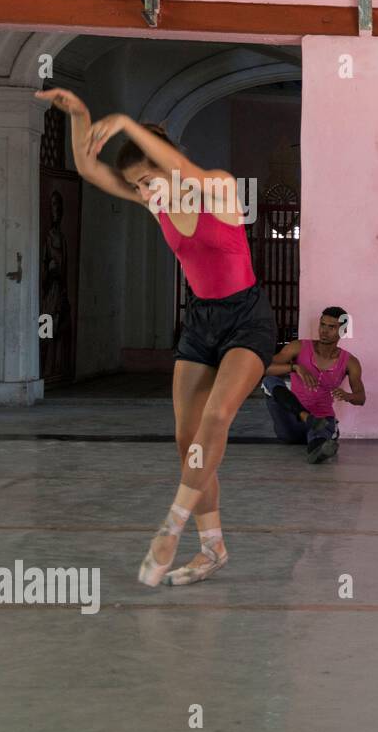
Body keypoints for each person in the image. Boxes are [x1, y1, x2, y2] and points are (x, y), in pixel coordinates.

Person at [37, 88, 276, 587]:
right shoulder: (158, 204)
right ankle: (212, 548)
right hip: (200, 323)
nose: (145, 194)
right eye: (138, 187)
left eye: (147, 182)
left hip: (247, 321)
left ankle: (170, 529)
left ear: (168, 168)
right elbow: (88, 169)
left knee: (216, 417)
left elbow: (184, 174)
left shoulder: (218, 189)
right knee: (187, 444)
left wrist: (125, 120)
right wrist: (82, 114)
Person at [262, 307, 366, 463]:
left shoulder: (350, 362)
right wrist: (295, 367)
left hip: (321, 419)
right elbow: (264, 367)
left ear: (342, 330)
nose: (324, 331)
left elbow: (361, 398)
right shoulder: (299, 346)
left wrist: (348, 396)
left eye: (331, 327)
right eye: (322, 325)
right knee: (269, 381)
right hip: (292, 421)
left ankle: (318, 448)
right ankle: (306, 418)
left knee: (318, 436)